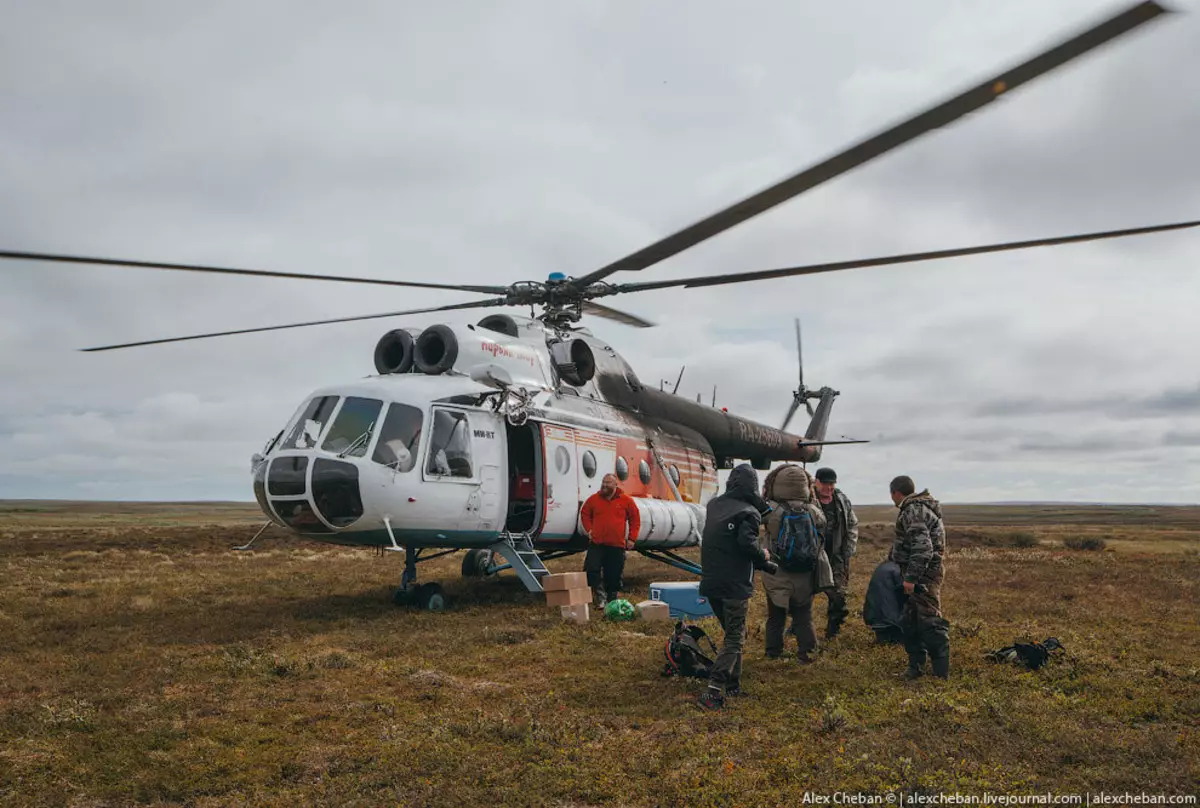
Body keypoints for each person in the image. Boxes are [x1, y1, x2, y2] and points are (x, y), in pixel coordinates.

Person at [696, 464, 778, 711]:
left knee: (735, 634)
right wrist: (763, 556)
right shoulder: (749, 513)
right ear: (753, 486)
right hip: (734, 586)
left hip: (711, 583)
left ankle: (734, 685)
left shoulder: (713, 506)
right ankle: (713, 691)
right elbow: (747, 544)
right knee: (734, 638)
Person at [760, 465, 827, 664]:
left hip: (777, 572)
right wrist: (812, 499)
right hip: (805, 572)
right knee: (804, 616)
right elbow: (823, 521)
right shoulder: (812, 511)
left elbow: (756, 516)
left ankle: (773, 652)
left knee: (775, 615)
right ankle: (808, 653)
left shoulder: (771, 510)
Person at [888, 475, 950, 679]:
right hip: (917, 572)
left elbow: (923, 548)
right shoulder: (917, 508)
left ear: (896, 493)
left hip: (924, 575)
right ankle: (916, 668)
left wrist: (912, 579)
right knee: (910, 620)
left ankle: (941, 673)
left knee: (929, 621)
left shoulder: (913, 510)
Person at [580, 473, 641, 608]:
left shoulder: (626, 501)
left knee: (613, 573)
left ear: (615, 485)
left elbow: (635, 519)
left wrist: (632, 538)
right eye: (603, 482)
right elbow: (584, 513)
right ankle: (600, 596)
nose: (605, 485)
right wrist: (589, 529)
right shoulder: (594, 499)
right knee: (591, 568)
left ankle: (611, 598)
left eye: (608, 483)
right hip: (597, 543)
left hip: (616, 544)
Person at [813, 467, 859, 639]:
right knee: (803, 594)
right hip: (812, 556)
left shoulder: (841, 500)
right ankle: (799, 626)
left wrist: (848, 549)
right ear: (816, 482)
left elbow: (853, 523)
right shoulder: (808, 500)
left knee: (839, 594)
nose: (829, 488)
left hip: (836, 555)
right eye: (825, 484)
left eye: (831, 484)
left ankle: (833, 630)